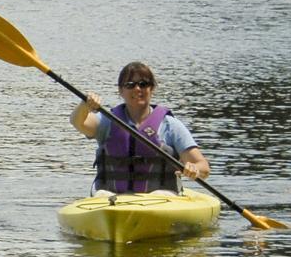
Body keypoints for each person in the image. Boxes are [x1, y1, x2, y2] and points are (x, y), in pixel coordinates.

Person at [71, 61, 210, 195]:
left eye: (143, 84)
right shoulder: (108, 121)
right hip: (112, 197)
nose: (137, 89)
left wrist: (194, 169)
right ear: (121, 90)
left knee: (159, 195)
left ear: (152, 89)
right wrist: (84, 105)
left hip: (161, 197)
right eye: (130, 84)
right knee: (101, 194)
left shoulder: (170, 125)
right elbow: (77, 122)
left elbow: (203, 167)